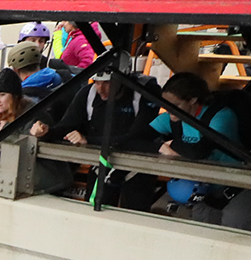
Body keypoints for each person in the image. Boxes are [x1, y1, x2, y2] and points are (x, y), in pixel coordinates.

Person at [30, 70, 161, 206]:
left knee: (135, 214)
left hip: (138, 167)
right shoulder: (88, 94)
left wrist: (88, 140)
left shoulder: (142, 94)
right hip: (102, 166)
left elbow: (138, 137)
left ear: (123, 80)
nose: (100, 89)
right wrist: (47, 132)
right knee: (94, 210)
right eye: (96, 82)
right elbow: (66, 126)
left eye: (107, 83)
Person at [148, 71, 244, 220]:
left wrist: (172, 144)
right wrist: (161, 146)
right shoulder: (172, 117)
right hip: (201, 187)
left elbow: (198, 152)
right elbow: (137, 137)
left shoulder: (221, 117)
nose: (169, 110)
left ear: (193, 99)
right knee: (198, 222)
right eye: (165, 104)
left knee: (234, 223)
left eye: (176, 105)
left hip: (235, 184)